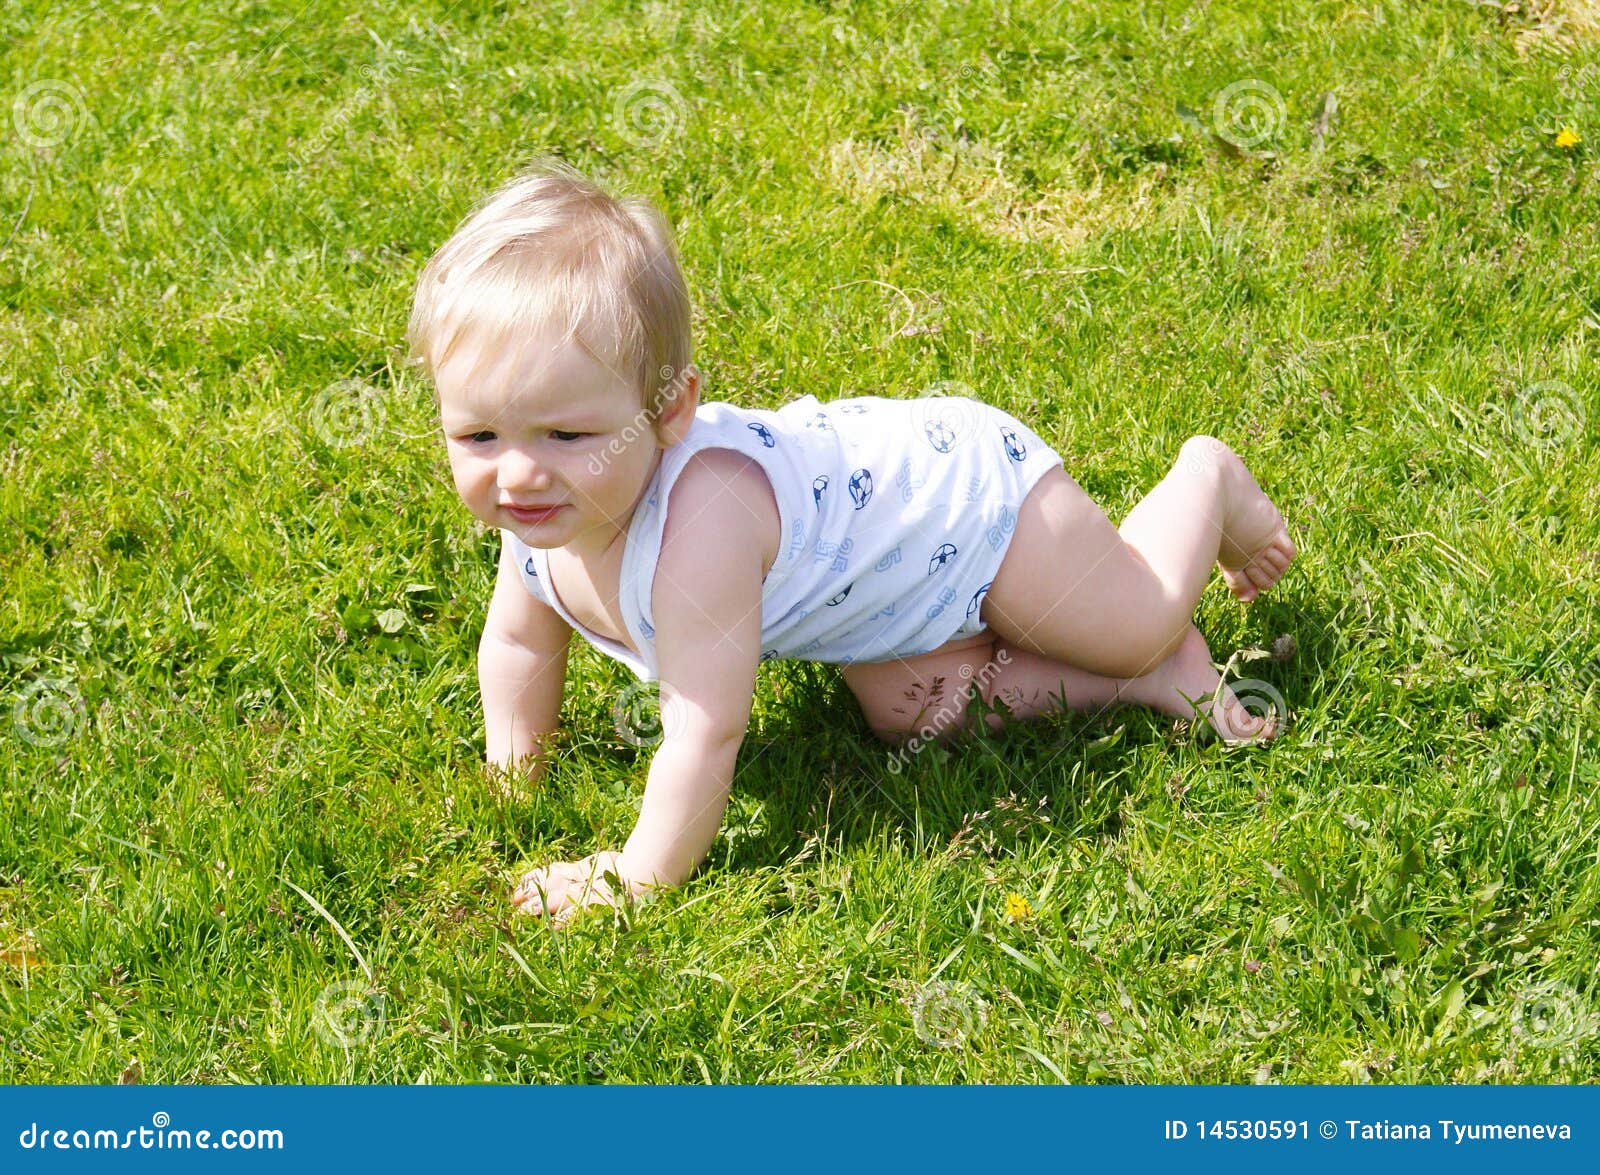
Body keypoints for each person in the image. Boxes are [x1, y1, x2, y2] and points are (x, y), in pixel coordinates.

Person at [406, 160, 1296, 923]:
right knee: (912, 712)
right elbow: (522, 638)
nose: (516, 474)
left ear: (668, 410)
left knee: (1133, 612)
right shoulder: (545, 512)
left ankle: (1205, 484)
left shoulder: (702, 525)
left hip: (964, 508)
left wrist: (636, 876)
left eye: (565, 435)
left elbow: (706, 730)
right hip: (888, 591)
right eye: (479, 436)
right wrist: (513, 774)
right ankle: (1148, 677)